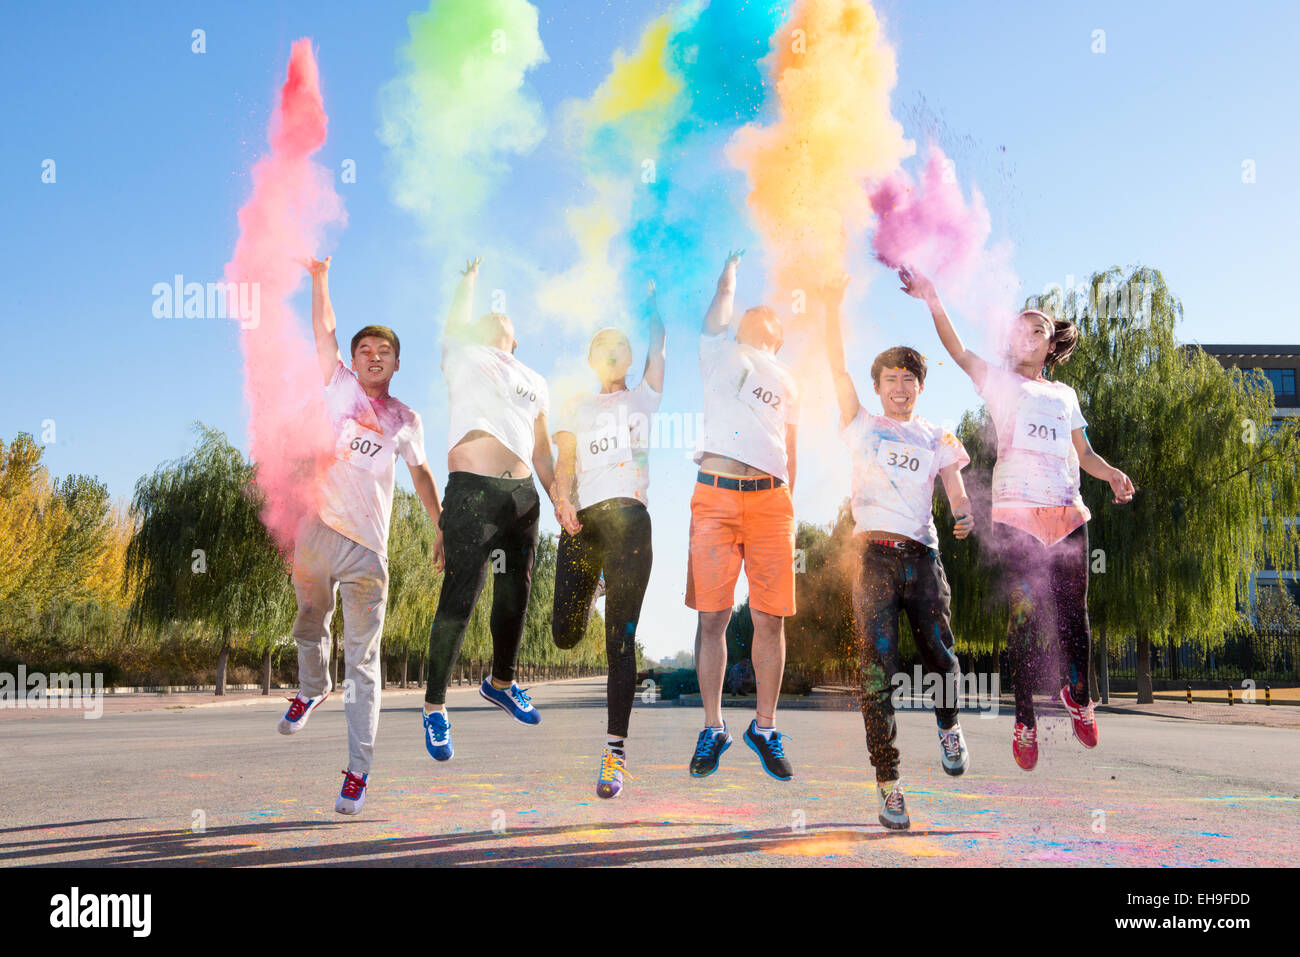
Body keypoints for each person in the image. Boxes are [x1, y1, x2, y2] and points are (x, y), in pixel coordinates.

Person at [900, 266, 1134, 772]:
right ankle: (1024, 720)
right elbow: (959, 351)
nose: (1026, 333)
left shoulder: (1066, 396)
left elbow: (1085, 452)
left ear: (1051, 345)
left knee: (1076, 616)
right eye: (1020, 327)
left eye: (1039, 328)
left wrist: (1112, 473)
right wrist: (933, 297)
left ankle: (1079, 696)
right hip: (1016, 515)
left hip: (1067, 513)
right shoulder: (999, 381)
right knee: (1024, 620)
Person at [281, 255, 442, 815]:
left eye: (384, 351)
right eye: (364, 351)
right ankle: (309, 687)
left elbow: (421, 474)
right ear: (352, 361)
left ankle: (358, 772)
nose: (373, 357)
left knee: (363, 663)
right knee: (307, 621)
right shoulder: (338, 389)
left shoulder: (405, 419)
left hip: (368, 551)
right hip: (318, 531)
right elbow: (322, 330)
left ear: (397, 362)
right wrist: (321, 276)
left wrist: (440, 526)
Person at [822, 273, 974, 831]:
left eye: (909, 380)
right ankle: (889, 786)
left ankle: (949, 726)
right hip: (871, 562)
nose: (900, 388)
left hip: (921, 560)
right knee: (877, 674)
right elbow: (835, 371)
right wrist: (831, 310)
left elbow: (955, 485)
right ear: (879, 386)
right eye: (891, 379)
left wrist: (962, 513)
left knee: (941, 654)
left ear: (920, 388)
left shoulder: (938, 435)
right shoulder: (861, 425)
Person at [421, 257, 565, 761]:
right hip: (472, 490)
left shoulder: (535, 380)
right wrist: (467, 280)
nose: (497, 319)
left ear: (516, 338)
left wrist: (559, 498)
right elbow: (454, 323)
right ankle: (435, 707)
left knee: (516, 592)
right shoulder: (464, 355)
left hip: (522, 495)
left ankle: (501, 681)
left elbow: (543, 450)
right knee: (460, 594)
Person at [550, 282, 666, 799]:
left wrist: (654, 304)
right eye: (604, 348)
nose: (614, 354)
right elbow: (564, 467)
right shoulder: (576, 404)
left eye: (622, 347)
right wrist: (561, 498)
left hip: (631, 525)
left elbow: (660, 343)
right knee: (564, 635)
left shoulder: (644, 396)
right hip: (585, 525)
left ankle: (614, 753)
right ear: (592, 359)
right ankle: (590, 585)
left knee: (619, 638)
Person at [686, 250, 799, 782]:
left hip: (771, 503)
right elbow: (717, 314)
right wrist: (727, 276)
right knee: (713, 617)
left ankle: (766, 727)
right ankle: (714, 727)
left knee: (769, 618)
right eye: (747, 315)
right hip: (715, 497)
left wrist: (788, 503)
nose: (757, 319)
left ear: (778, 335)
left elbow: (790, 446)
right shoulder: (719, 354)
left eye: (767, 318)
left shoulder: (790, 381)